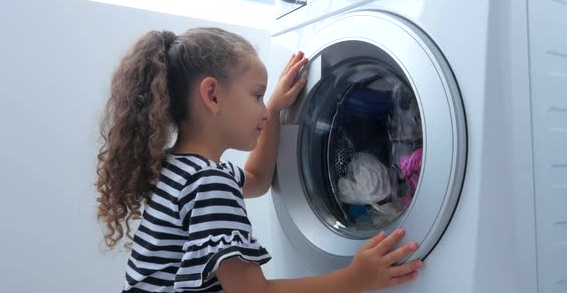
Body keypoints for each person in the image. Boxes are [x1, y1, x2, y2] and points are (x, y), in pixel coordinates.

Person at [95, 27, 423, 293]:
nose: (262, 109)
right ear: (212, 96)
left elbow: (256, 178)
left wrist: (276, 110)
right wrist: (356, 278)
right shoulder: (208, 183)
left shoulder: (177, 169)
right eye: (256, 95)